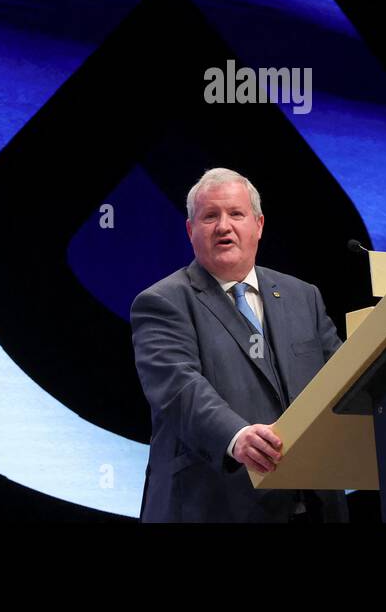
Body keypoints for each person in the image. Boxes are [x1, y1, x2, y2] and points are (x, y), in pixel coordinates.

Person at [130, 168, 349, 523]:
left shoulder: (303, 296)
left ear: (258, 225)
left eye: (235, 214)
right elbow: (180, 389)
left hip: (314, 505)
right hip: (213, 504)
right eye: (210, 216)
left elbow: (342, 379)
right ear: (190, 230)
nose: (223, 226)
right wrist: (237, 436)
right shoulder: (163, 302)